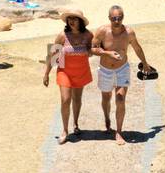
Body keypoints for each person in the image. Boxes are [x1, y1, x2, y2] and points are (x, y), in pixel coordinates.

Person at [43, 10, 119, 144]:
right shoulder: (62, 36)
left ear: (81, 21)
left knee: (77, 99)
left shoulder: (88, 35)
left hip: (81, 71)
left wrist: (108, 54)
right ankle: (65, 131)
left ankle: (76, 124)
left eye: (75, 19)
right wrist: (46, 73)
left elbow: (95, 50)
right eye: (69, 19)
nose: (71, 21)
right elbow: (53, 56)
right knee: (65, 99)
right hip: (64, 72)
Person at [90, 6, 155, 145]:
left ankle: (119, 132)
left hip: (122, 69)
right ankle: (107, 119)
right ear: (109, 18)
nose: (117, 20)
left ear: (123, 17)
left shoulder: (129, 32)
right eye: (114, 18)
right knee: (106, 98)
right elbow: (92, 49)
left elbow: (137, 47)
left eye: (119, 17)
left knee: (120, 99)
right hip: (105, 70)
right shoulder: (102, 31)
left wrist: (144, 63)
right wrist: (107, 53)